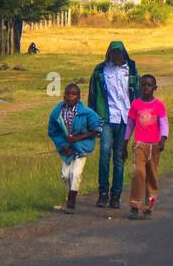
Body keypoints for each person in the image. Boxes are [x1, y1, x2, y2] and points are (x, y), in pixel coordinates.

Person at [88, 40, 139, 209]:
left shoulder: (130, 70)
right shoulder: (100, 71)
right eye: (113, 52)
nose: (116, 56)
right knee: (104, 154)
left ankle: (116, 195)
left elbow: (137, 95)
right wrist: (92, 120)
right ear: (108, 53)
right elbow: (93, 96)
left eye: (119, 53)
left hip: (125, 119)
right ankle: (103, 193)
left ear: (124, 53)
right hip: (106, 118)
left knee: (119, 158)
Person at [46, 83, 101, 214]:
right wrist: (63, 145)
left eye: (74, 94)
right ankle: (69, 194)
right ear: (63, 95)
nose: (70, 97)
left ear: (79, 97)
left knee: (75, 174)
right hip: (66, 149)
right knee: (65, 175)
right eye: (67, 94)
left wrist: (79, 138)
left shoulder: (86, 112)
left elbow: (97, 129)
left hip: (82, 148)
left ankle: (71, 202)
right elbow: (53, 131)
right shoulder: (57, 112)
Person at [125, 74, 168, 219]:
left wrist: (163, 139)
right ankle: (135, 205)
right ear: (139, 87)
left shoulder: (159, 105)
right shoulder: (136, 104)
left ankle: (149, 206)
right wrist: (125, 142)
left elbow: (163, 123)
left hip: (154, 146)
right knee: (139, 173)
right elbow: (130, 124)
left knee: (152, 177)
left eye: (149, 85)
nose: (146, 88)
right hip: (139, 145)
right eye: (143, 85)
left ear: (155, 88)